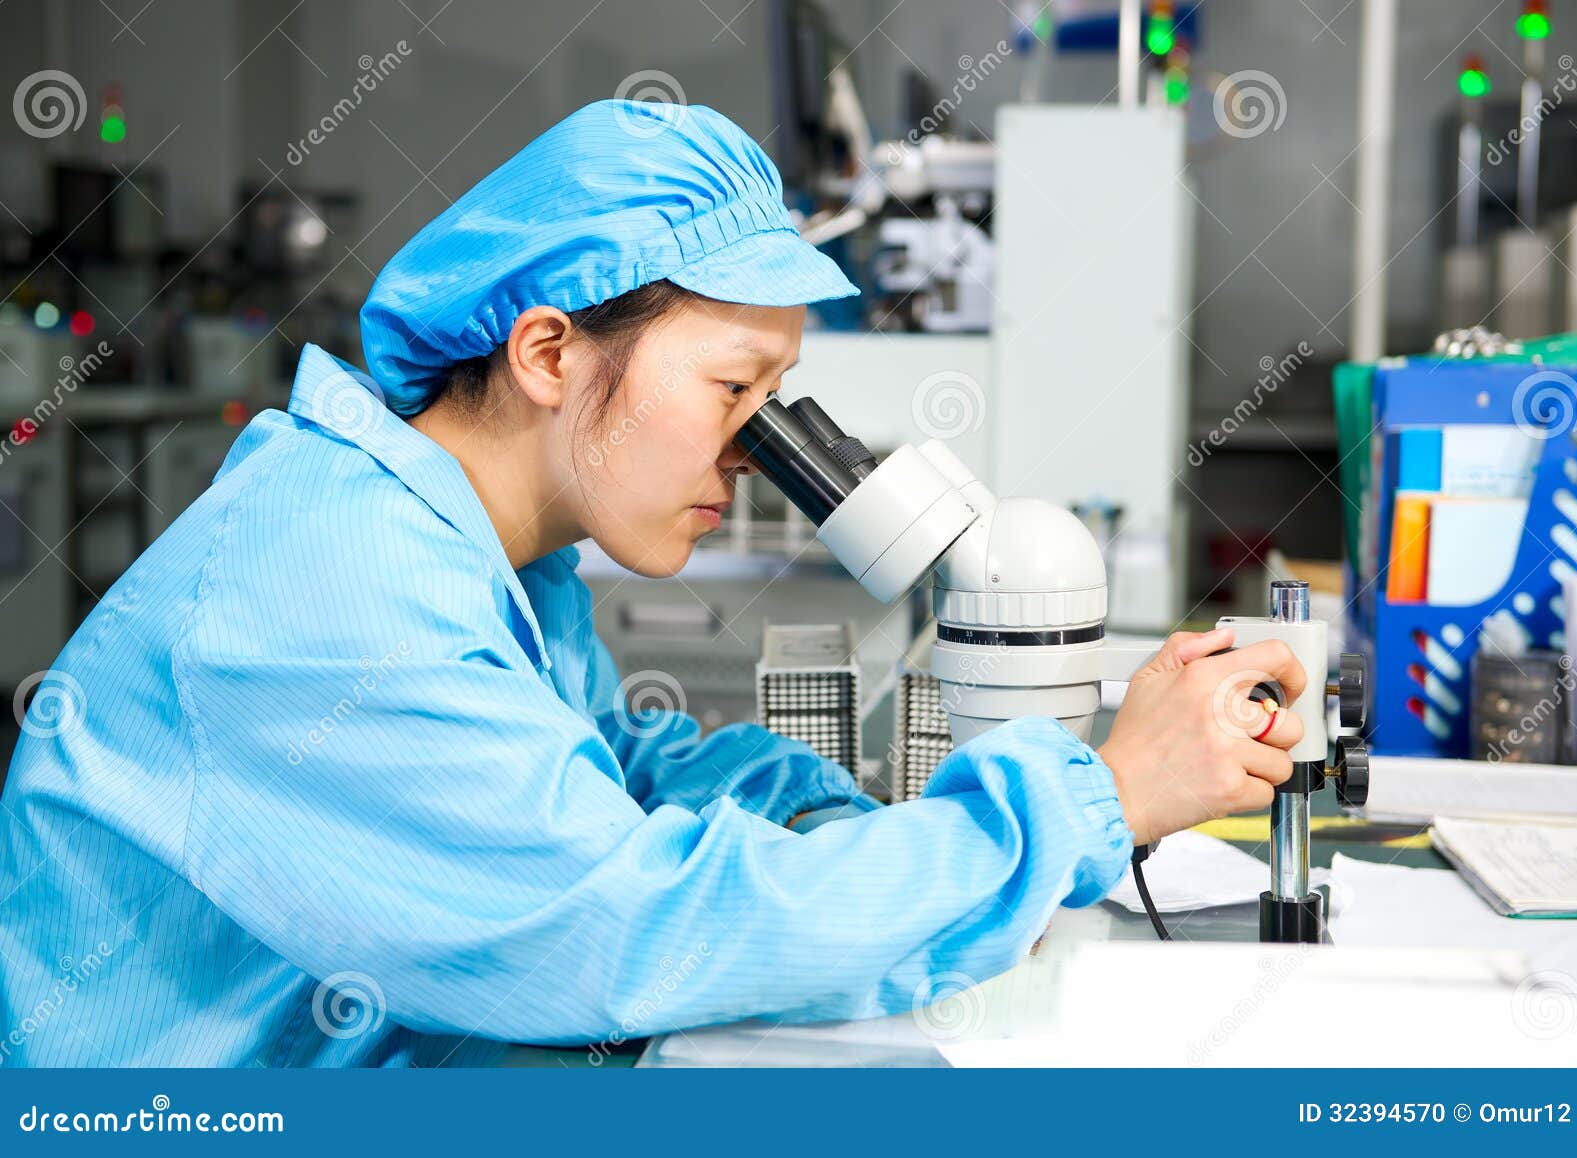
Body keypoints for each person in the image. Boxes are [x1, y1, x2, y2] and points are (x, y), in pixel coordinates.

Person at [0, 100, 1305, 1067]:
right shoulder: (329, 587)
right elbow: (633, 918)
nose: (751, 448)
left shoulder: (486, 551)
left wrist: (856, 827)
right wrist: (1094, 795)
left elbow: (624, 777)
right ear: (550, 349)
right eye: (735, 388)